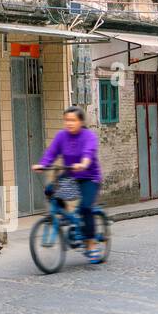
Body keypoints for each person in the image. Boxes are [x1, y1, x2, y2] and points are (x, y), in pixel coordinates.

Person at [33, 106, 104, 263]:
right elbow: (51, 152)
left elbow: (88, 152)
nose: (69, 123)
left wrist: (84, 163)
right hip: (71, 175)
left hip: (89, 176)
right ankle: (69, 218)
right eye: (66, 120)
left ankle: (91, 244)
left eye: (73, 120)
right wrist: (42, 165)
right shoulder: (61, 136)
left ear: (81, 121)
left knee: (86, 208)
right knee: (50, 191)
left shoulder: (88, 136)